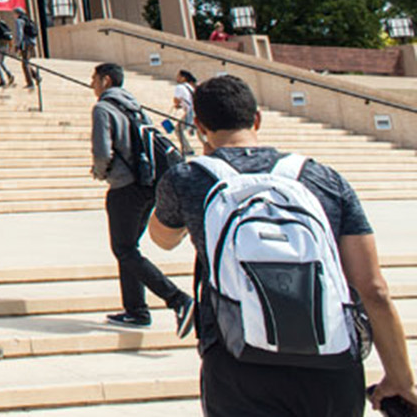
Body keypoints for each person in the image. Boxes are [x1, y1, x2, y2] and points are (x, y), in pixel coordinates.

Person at [150, 74, 416, 417]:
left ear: (199, 125)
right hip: (332, 362)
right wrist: (400, 378)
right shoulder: (322, 178)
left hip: (238, 363)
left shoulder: (188, 179)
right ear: (257, 117)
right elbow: (374, 289)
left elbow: (162, 238)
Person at [89, 62, 194, 329]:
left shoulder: (103, 108)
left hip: (125, 188)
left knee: (123, 249)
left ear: (107, 80)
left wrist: (100, 172)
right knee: (128, 249)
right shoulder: (134, 106)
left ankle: (178, 300)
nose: (92, 83)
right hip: (149, 184)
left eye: (95, 78)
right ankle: (136, 310)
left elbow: (102, 151)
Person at [168, 69, 198, 155]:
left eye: (179, 76)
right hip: (196, 111)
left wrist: (177, 105)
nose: (177, 78)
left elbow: (176, 100)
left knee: (178, 129)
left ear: (183, 78)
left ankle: (187, 149)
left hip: (190, 112)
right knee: (200, 133)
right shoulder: (190, 86)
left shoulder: (179, 87)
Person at [14, 7, 40, 89]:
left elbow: (19, 34)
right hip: (32, 43)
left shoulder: (19, 21)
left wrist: (17, 45)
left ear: (17, 13)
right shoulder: (28, 20)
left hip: (25, 43)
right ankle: (36, 76)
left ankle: (30, 83)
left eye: (14, 13)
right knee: (26, 61)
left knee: (24, 63)